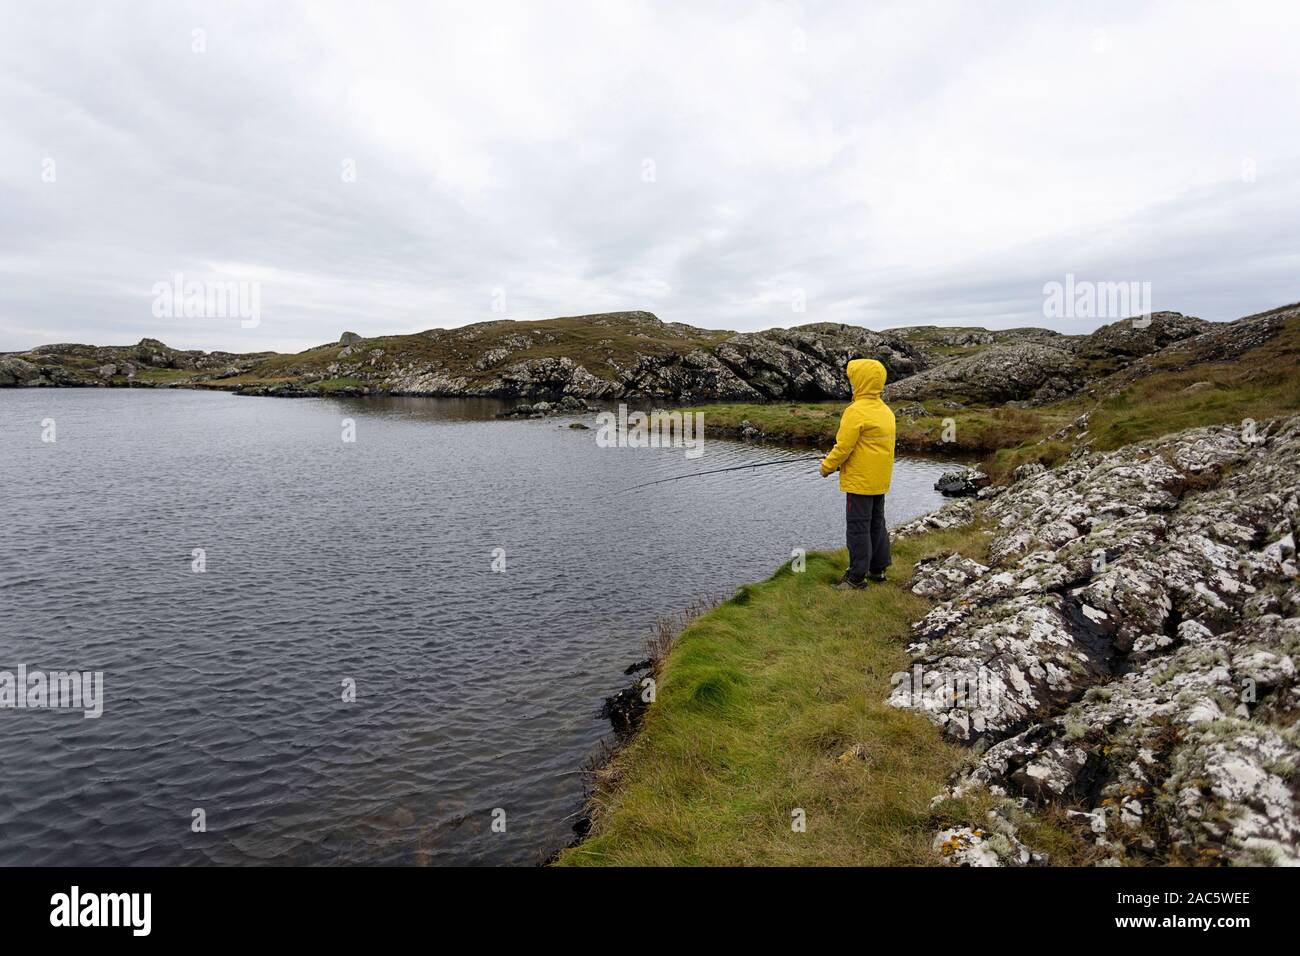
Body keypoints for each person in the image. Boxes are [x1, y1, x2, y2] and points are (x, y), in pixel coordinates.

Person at [819, 358, 896, 590]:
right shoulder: (886, 411)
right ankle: (878, 569)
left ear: (860, 382)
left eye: (853, 380)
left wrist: (826, 467)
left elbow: (844, 447)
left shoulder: (855, 412)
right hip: (879, 480)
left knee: (858, 528)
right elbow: (868, 448)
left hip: (860, 483)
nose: (851, 384)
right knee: (876, 524)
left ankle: (856, 578)